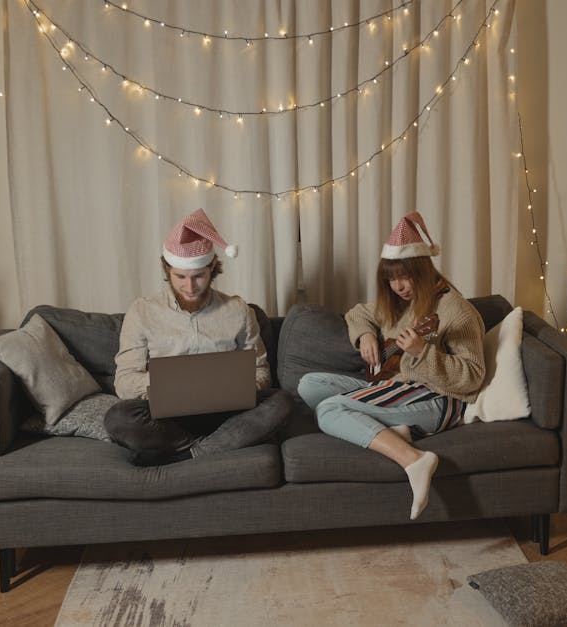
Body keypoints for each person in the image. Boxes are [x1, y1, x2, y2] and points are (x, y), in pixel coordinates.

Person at [297, 211, 486, 519]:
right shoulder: (399, 303)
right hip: (396, 385)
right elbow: (358, 313)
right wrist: (365, 337)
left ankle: (414, 459)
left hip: (438, 398)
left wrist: (423, 352)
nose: (398, 286)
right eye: (391, 279)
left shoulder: (457, 311)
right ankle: (392, 430)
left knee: (329, 410)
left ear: (423, 268)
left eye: (405, 276)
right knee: (309, 384)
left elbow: (473, 377)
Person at [106, 208, 292, 466]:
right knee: (118, 417)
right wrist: (163, 384)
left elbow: (260, 370)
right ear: (166, 268)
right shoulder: (142, 312)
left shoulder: (238, 310)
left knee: (280, 401)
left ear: (212, 268)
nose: (190, 287)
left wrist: (242, 385)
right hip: (167, 417)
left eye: (198, 277)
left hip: (227, 412)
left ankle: (187, 455)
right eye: (180, 277)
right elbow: (124, 382)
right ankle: (217, 445)